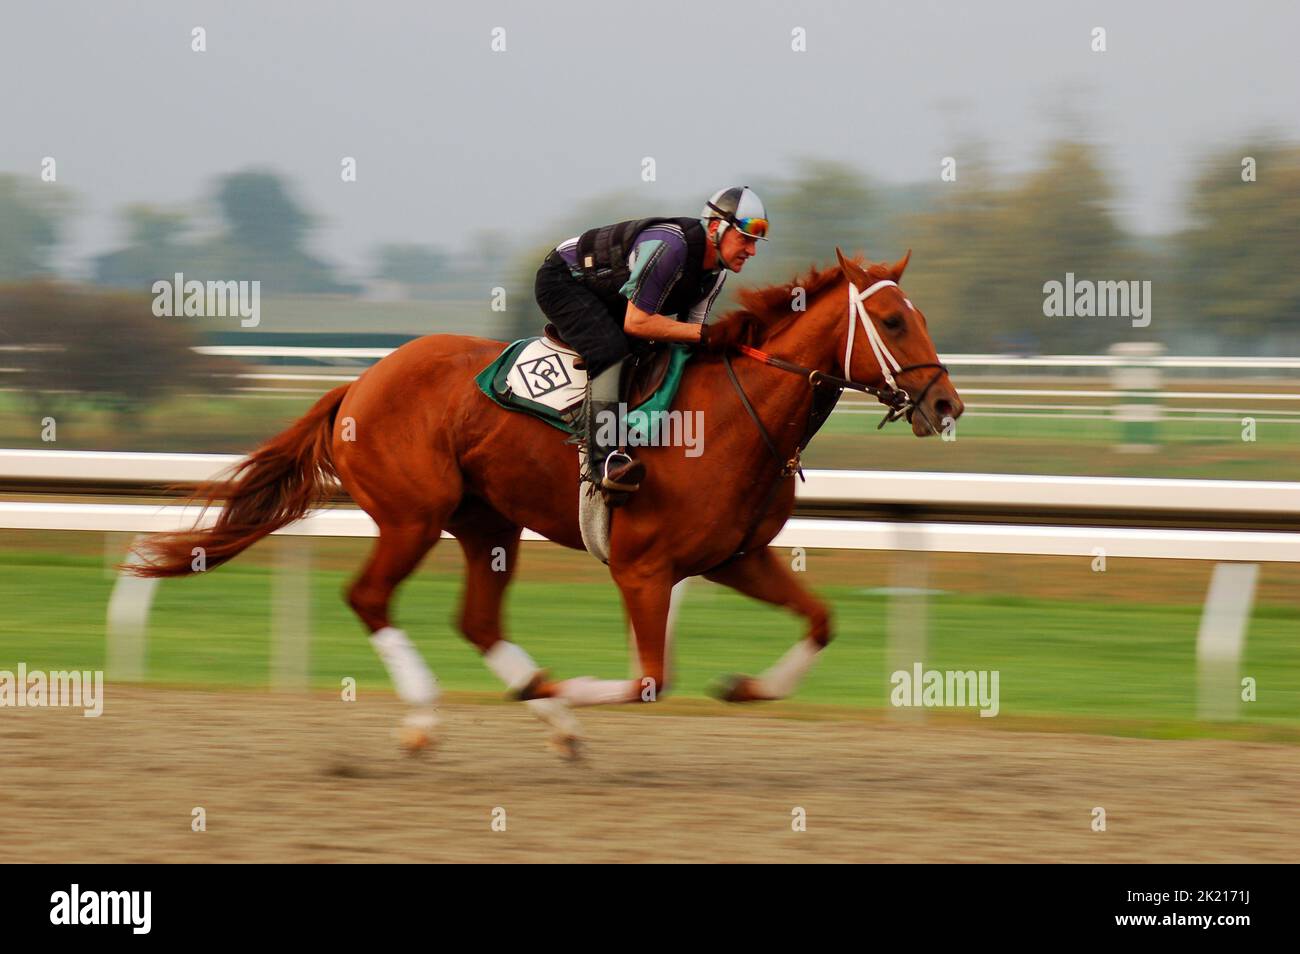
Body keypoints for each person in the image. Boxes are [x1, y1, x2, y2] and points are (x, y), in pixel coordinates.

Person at [533, 186, 769, 504]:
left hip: (611, 294)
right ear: (716, 228)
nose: (752, 251)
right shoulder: (670, 248)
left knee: (660, 353)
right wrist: (706, 335)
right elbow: (639, 323)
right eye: (746, 239)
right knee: (611, 351)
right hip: (563, 281)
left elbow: (688, 340)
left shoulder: (715, 275)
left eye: (755, 242)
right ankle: (604, 461)